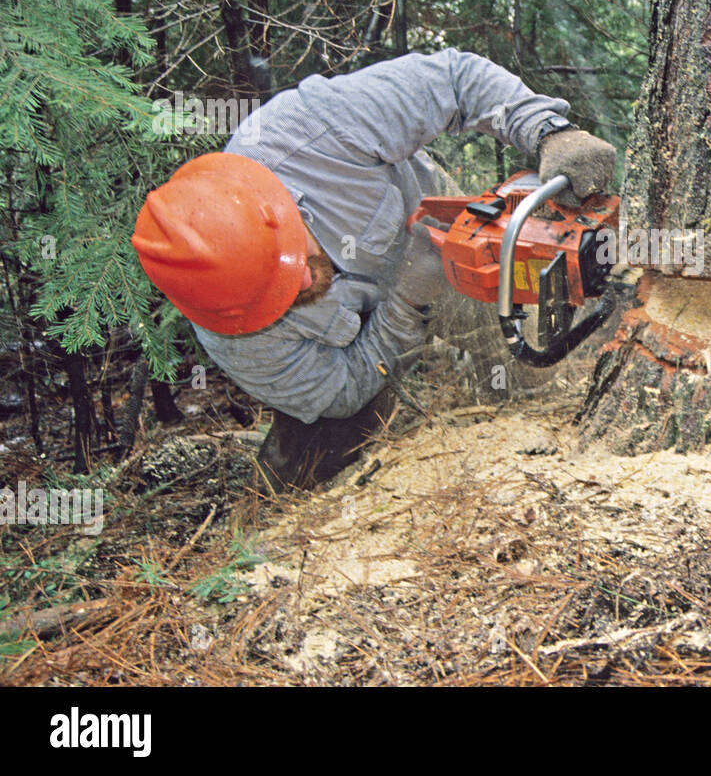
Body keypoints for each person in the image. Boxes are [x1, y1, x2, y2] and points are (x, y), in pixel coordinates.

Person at [131, 50, 616, 491]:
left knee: (529, 365)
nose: (300, 282)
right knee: (320, 449)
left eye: (289, 257)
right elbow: (339, 390)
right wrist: (407, 302)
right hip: (372, 337)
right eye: (273, 291)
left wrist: (548, 130)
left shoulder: (307, 131)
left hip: (444, 245)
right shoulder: (236, 338)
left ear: (273, 205)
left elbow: (452, 79)